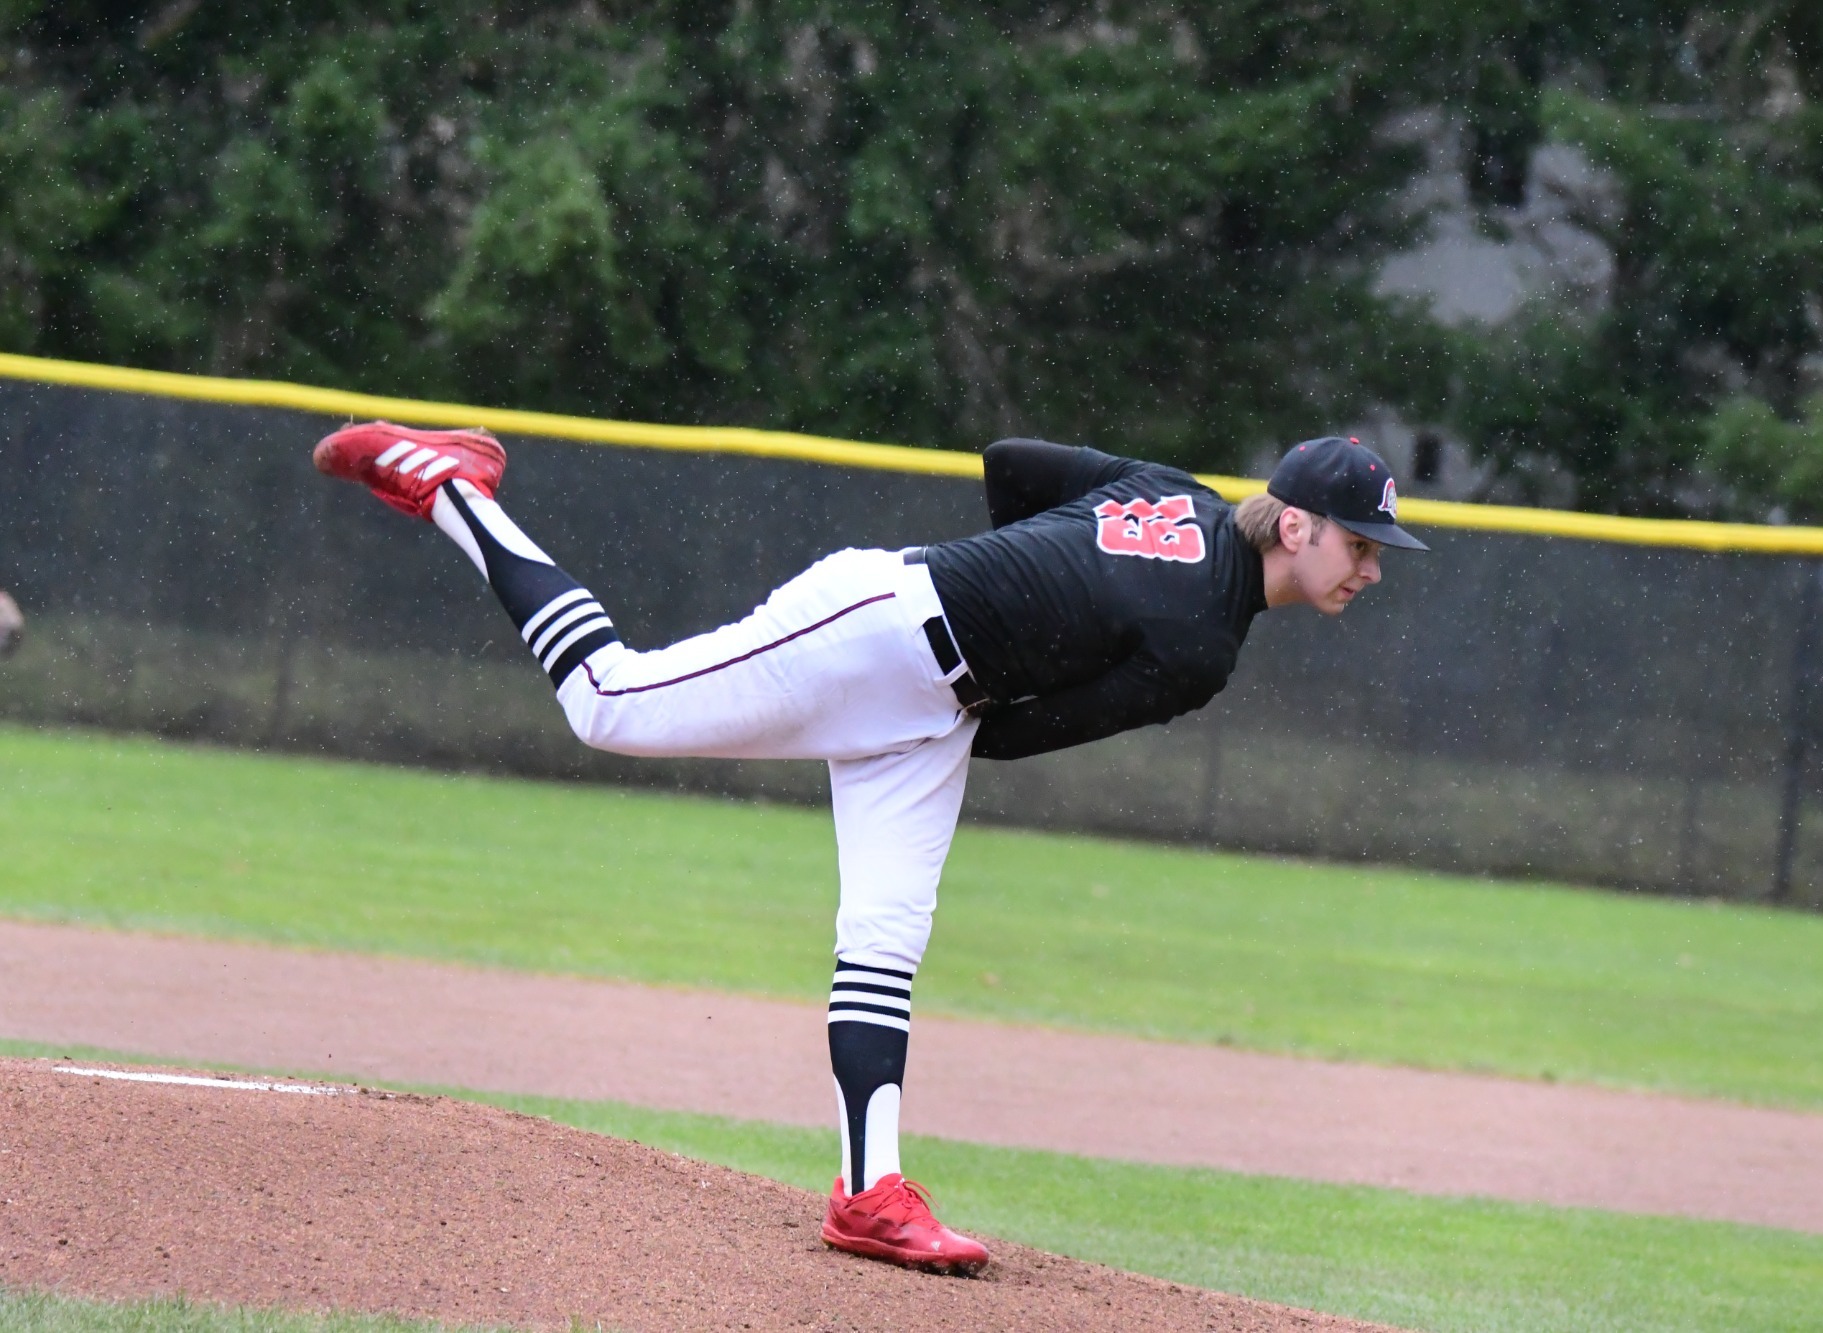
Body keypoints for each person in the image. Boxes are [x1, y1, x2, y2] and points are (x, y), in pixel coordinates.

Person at [311, 422, 1426, 1275]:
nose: (1369, 566)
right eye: (1359, 542)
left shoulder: (1168, 493)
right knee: (611, 703)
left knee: (884, 936)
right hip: (881, 630)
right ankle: (453, 487)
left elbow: (1014, 462)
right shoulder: (1201, 643)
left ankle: (868, 1191)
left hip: (935, 695)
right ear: (1294, 526)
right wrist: (1004, 602)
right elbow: (1032, 734)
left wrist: (1027, 575)